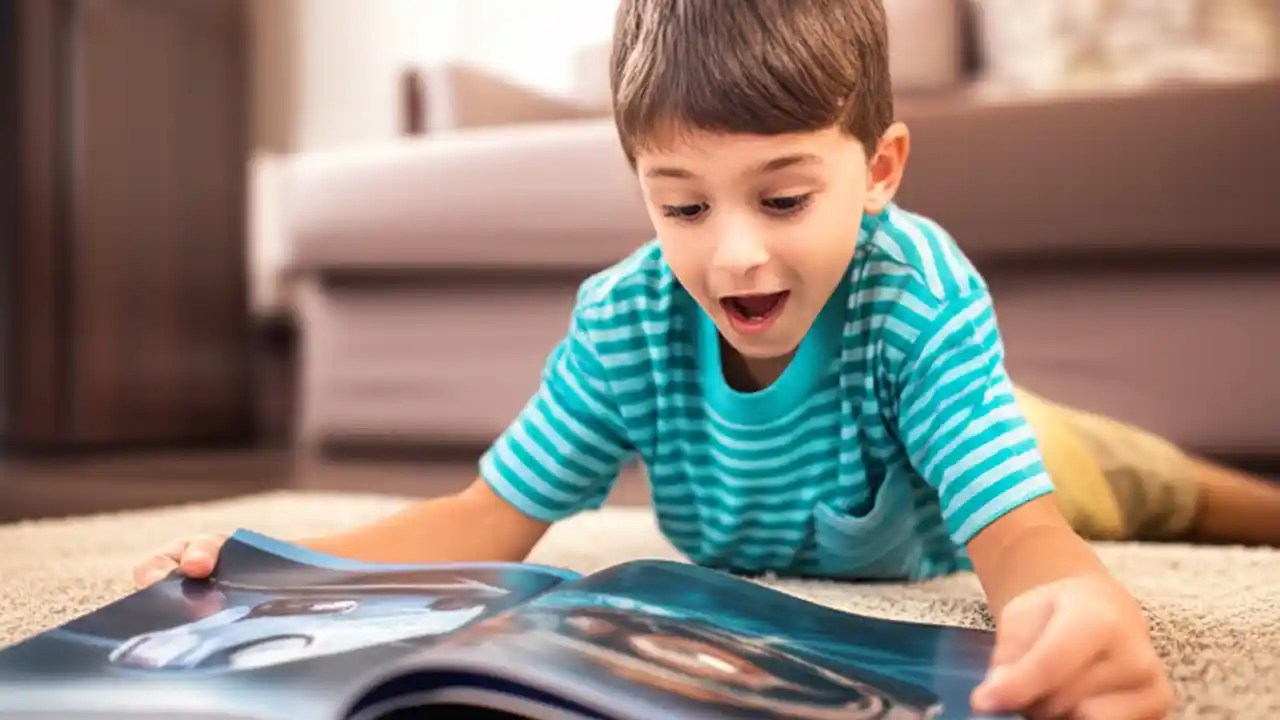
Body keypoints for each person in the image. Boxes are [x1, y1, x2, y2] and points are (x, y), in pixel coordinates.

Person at [135, 1, 1280, 716]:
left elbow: (1021, 538)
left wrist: (1079, 610)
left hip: (1020, 442)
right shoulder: (624, 319)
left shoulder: (916, 296)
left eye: (783, 197)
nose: (734, 254)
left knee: (1174, 493)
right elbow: (484, 517)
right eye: (680, 207)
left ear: (878, 170)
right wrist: (288, 560)